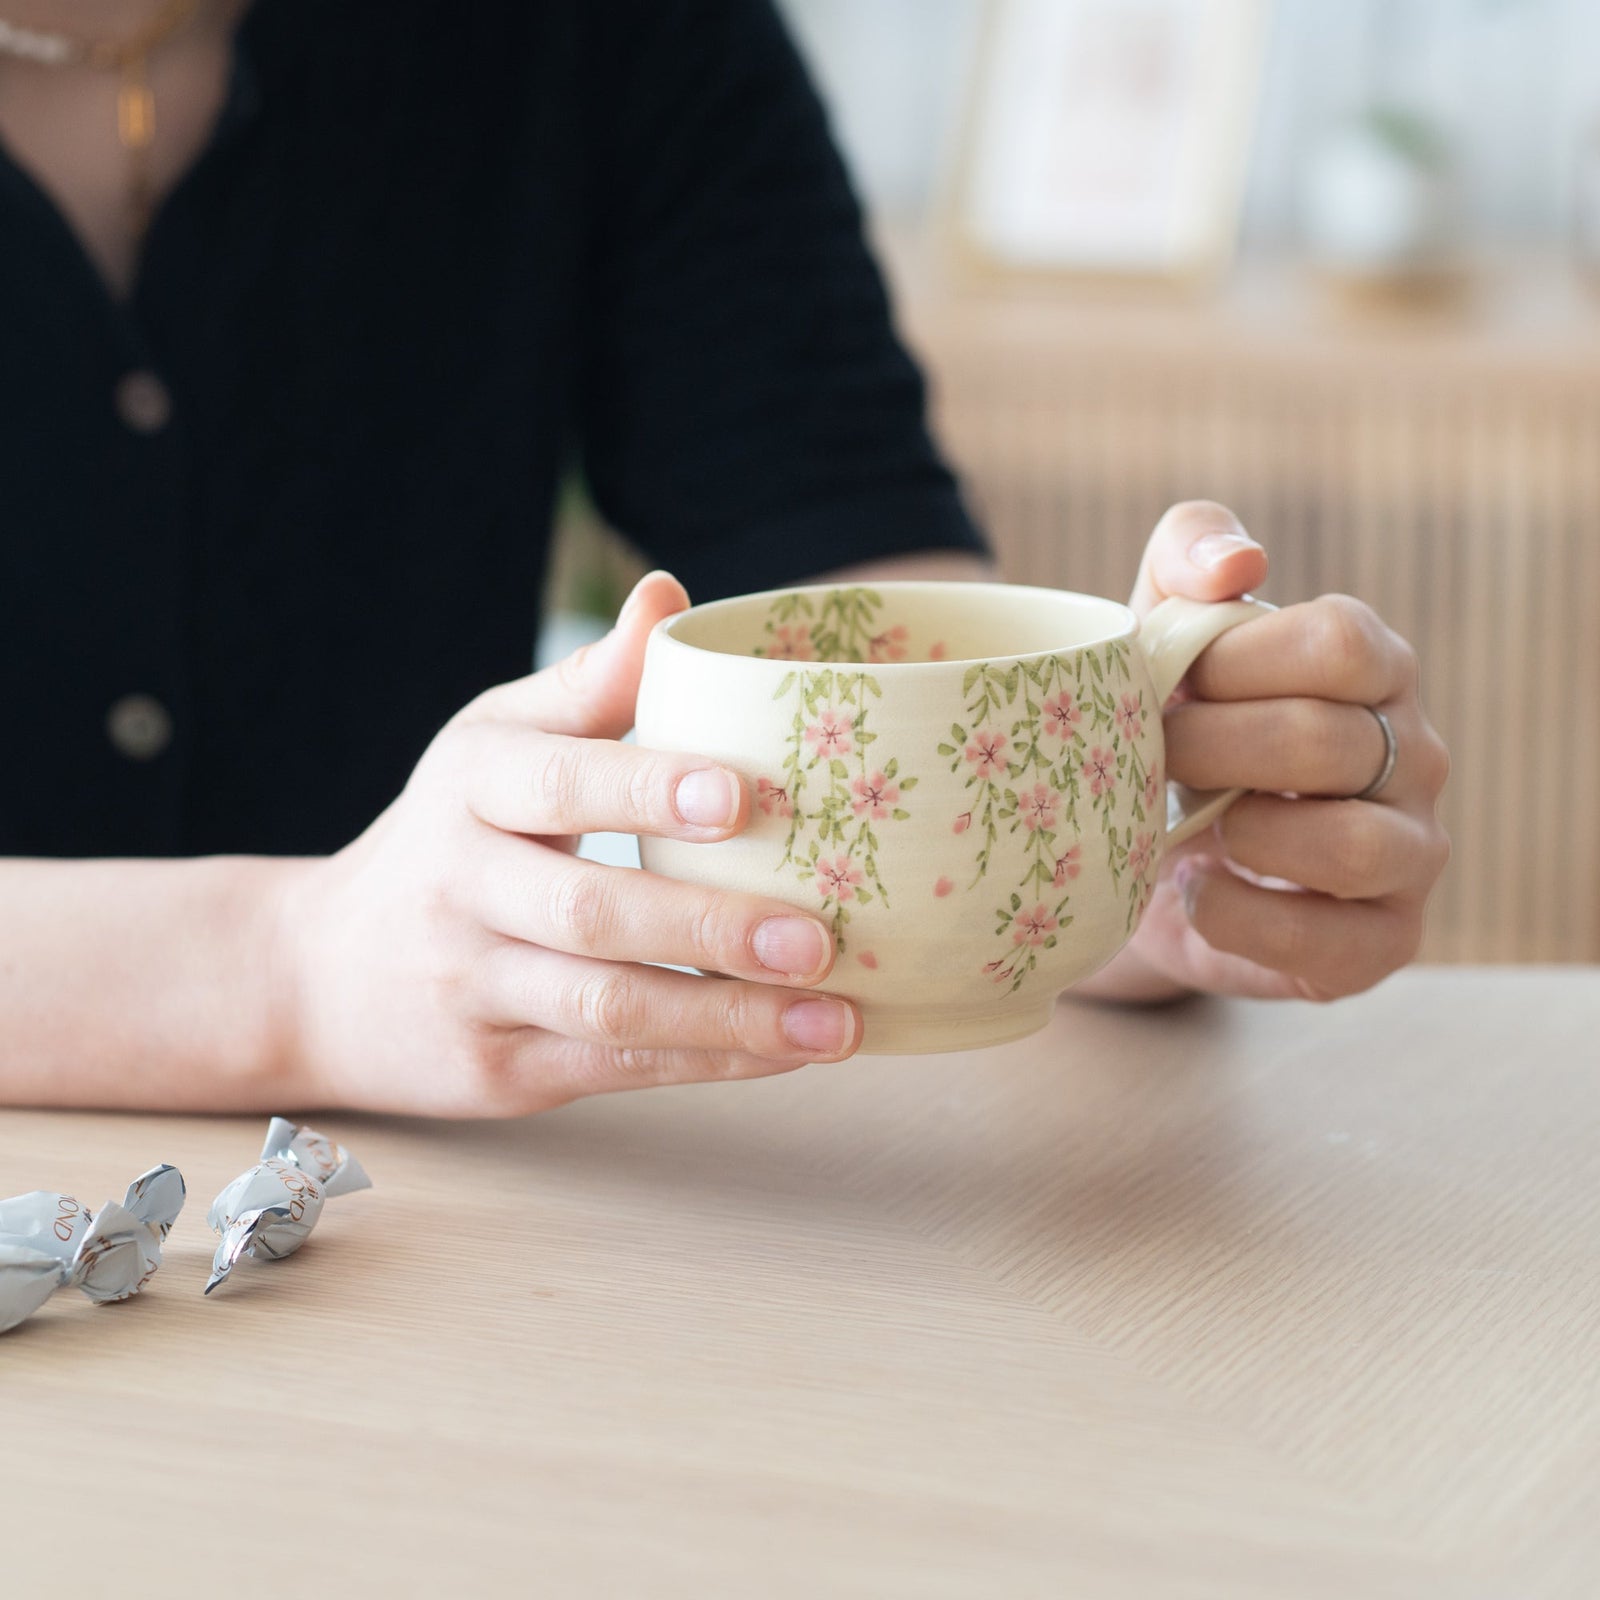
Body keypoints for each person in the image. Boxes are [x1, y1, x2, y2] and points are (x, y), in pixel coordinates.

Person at [0, 0, 1449, 1117]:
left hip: (438, 1237)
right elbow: (338, 963)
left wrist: (1124, 835)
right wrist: (297, 969)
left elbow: (856, 606)